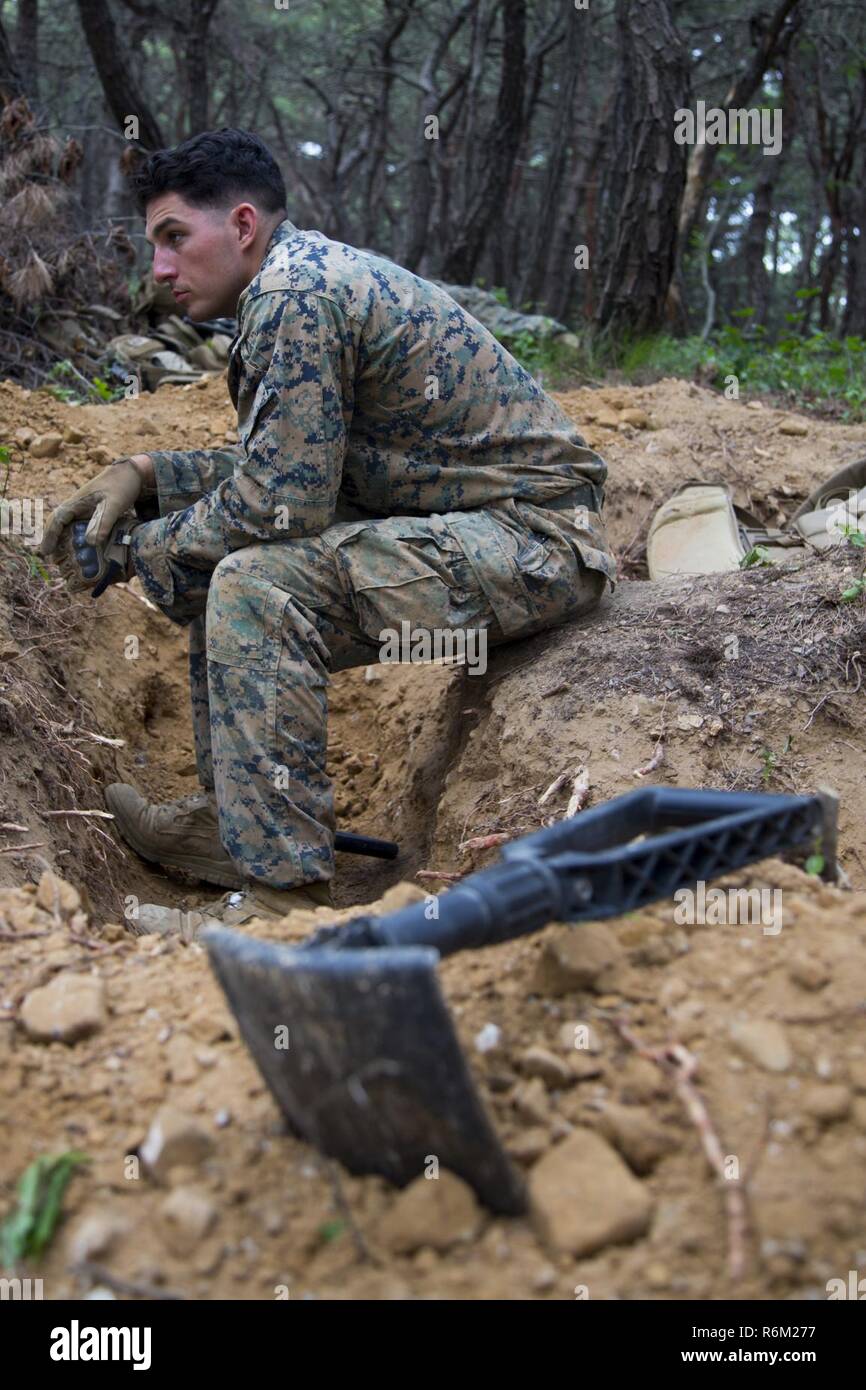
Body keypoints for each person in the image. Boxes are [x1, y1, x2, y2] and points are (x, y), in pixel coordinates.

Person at [38, 127, 616, 929]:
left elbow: (283, 500)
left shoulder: (293, 295)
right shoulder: (297, 278)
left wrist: (140, 551)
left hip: (539, 540)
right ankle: (233, 821)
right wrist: (144, 475)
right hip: (476, 519)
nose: (160, 268)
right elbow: (299, 469)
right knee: (234, 562)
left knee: (256, 584)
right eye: (153, 245)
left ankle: (281, 897)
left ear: (241, 226)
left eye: (175, 237)